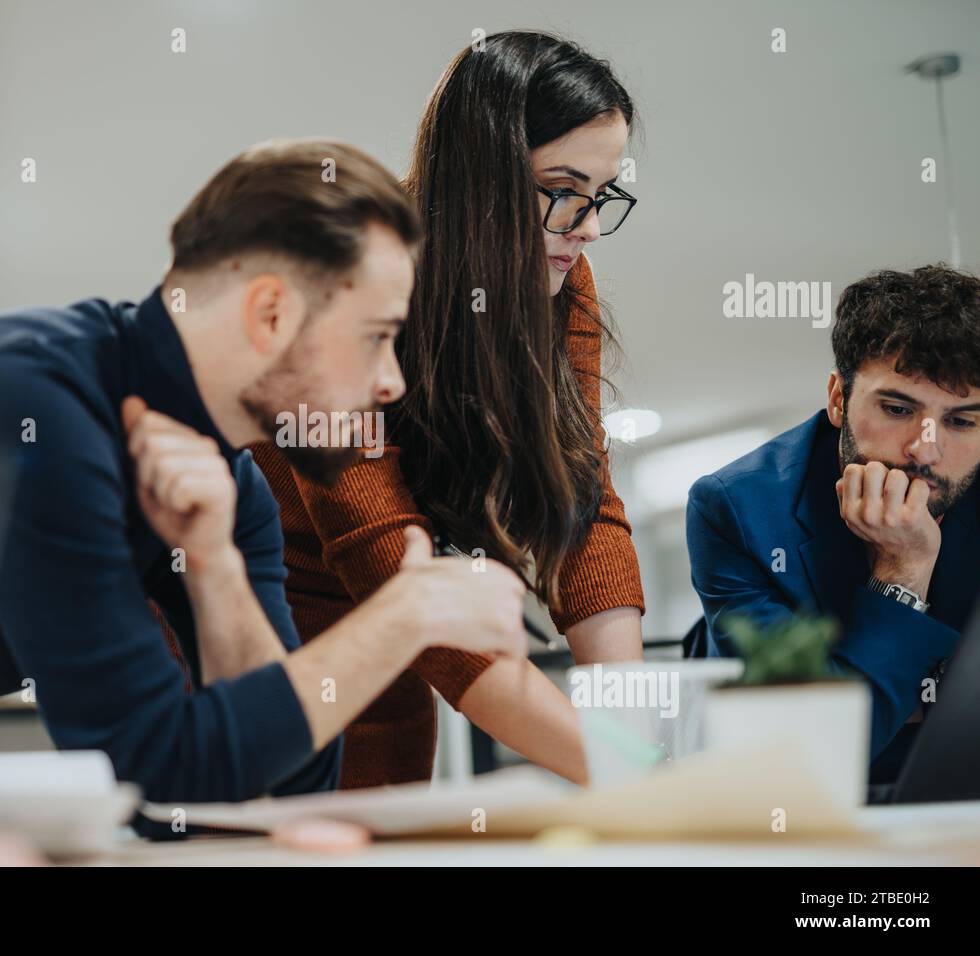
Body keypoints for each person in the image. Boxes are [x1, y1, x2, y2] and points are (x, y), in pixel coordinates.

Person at [0, 139, 531, 807]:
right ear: (270, 314)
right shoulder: (38, 406)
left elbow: (284, 782)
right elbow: (154, 770)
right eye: (377, 337)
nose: (393, 383)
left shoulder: (231, 492)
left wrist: (215, 569)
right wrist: (404, 618)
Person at [252, 30, 646, 788]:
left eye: (599, 196)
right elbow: (393, 564)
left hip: (389, 650)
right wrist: (631, 777)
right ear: (482, 178)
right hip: (253, 638)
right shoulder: (340, 292)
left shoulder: (561, 286)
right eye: (563, 190)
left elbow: (583, 507)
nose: (587, 227)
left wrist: (628, 728)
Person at [687, 264, 980, 781]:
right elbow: (811, 750)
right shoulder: (735, 509)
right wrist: (904, 570)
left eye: (960, 421)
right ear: (838, 399)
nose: (924, 450)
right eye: (896, 408)